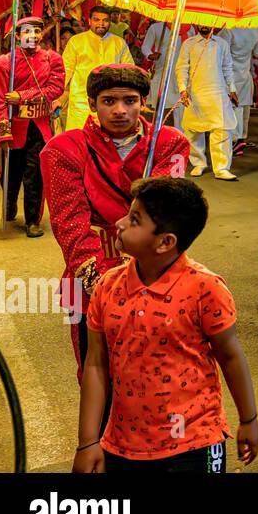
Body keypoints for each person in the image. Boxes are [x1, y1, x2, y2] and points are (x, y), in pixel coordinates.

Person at [72, 177, 258, 473]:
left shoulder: (205, 289)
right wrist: (88, 441)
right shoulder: (107, 287)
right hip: (124, 445)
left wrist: (249, 419)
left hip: (196, 442)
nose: (119, 223)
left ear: (165, 242)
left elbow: (230, 354)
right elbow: (96, 364)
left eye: (134, 220)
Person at [41, 65, 190, 374]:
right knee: (96, 369)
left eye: (130, 100)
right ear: (92, 103)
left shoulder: (171, 143)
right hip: (88, 275)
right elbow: (70, 224)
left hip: (155, 268)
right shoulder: (63, 149)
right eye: (109, 101)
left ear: (144, 102)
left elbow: (168, 215)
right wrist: (102, 284)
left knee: (156, 369)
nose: (120, 110)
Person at [0, 16, 65, 237]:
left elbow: (55, 89)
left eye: (37, 31)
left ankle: (33, 220)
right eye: (27, 32)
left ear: (42, 35)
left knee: (35, 175)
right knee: (11, 173)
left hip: (40, 127)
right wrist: (3, 134)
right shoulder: (2, 63)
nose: (33, 36)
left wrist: (22, 96)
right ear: (17, 36)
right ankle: (10, 204)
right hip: (14, 127)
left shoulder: (53, 59)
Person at [176, 26, 239, 180]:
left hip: (218, 92)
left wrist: (232, 88)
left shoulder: (221, 43)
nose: (204, 25)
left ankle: (222, 168)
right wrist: (183, 89)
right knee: (193, 130)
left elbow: (227, 67)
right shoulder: (189, 44)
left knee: (222, 129)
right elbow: (182, 68)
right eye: (201, 22)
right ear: (196, 24)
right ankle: (199, 163)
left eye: (207, 22)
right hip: (195, 92)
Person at [60, 5, 132, 131]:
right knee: (78, 142)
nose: (101, 24)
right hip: (81, 103)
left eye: (105, 20)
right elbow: (65, 71)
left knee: (105, 143)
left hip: (110, 103)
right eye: (96, 19)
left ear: (109, 22)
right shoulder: (76, 41)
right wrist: (57, 97)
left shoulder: (119, 43)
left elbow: (130, 70)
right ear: (89, 21)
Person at [218, 25, 258, 155]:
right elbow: (257, 53)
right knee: (243, 109)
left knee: (231, 109)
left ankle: (233, 140)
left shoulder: (229, 30)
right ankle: (241, 139)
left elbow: (221, 51)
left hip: (230, 74)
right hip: (245, 74)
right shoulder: (256, 31)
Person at [142, 20, 188, 129]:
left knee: (181, 105)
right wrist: (150, 55)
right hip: (163, 72)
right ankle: (159, 133)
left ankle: (179, 134)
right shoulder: (157, 27)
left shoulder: (189, 29)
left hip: (183, 72)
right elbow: (145, 46)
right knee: (161, 106)